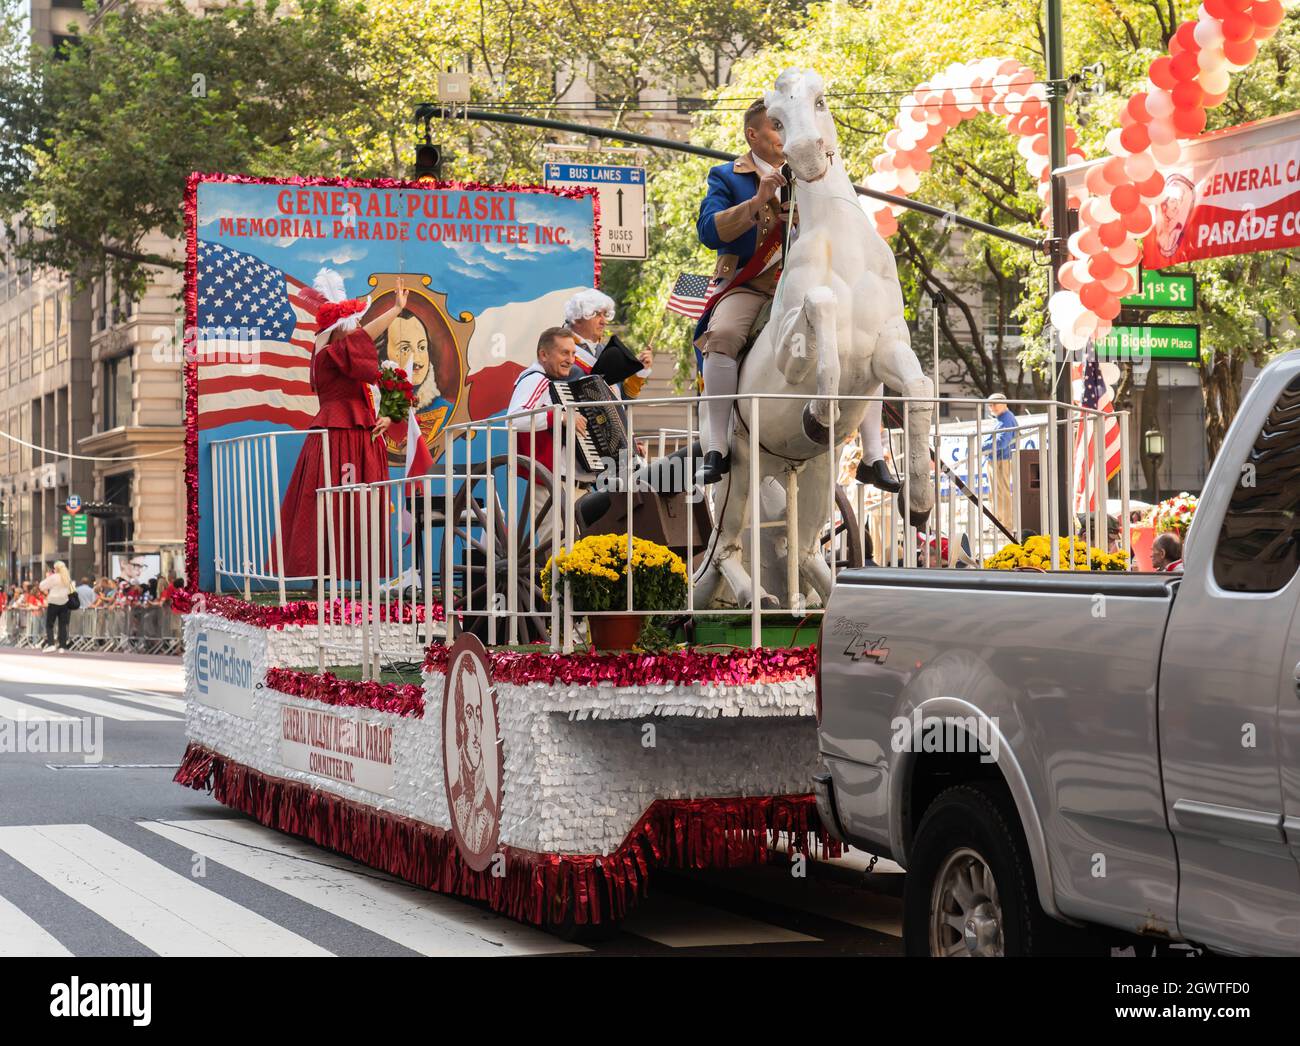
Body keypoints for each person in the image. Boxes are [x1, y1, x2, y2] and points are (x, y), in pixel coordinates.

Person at [693, 98, 896, 491]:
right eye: (776, 126)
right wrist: (756, 202)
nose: (786, 135)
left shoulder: (815, 171)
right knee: (721, 338)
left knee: (866, 341)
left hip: (813, 283)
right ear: (753, 135)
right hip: (753, 285)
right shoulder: (726, 176)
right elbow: (709, 232)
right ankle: (716, 444)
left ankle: (874, 453)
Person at [277, 269, 410, 579]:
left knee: (361, 507)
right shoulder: (329, 355)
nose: (358, 331)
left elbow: (390, 387)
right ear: (340, 330)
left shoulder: (348, 360)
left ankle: (361, 575)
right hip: (336, 439)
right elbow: (365, 338)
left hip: (357, 439)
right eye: (353, 326)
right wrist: (394, 310)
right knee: (327, 506)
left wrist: (388, 414)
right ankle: (320, 577)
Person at [507, 327, 588, 475]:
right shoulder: (536, 379)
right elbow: (513, 421)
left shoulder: (550, 380)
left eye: (573, 354)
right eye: (564, 353)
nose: (571, 360)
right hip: (552, 483)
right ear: (543, 355)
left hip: (564, 481)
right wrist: (562, 416)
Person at [563, 289, 653, 399]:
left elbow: (623, 400)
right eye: (596, 314)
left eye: (605, 314)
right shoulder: (560, 349)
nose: (604, 321)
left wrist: (640, 371)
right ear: (577, 319)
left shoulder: (606, 350)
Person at [983, 393, 1018, 523]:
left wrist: (981, 447)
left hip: (1001, 459)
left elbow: (1002, 441)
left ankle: (1006, 523)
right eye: (990, 405)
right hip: (998, 459)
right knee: (996, 493)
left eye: (995, 404)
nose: (992, 407)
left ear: (1004, 403)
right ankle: (1000, 522)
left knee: (1001, 493)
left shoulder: (1006, 419)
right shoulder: (1003, 418)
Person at [39, 561, 73, 651]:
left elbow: (41, 586)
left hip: (53, 602)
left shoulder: (53, 577)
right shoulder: (67, 578)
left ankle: (51, 644)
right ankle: (62, 646)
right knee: (62, 625)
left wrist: (47, 578)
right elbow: (70, 590)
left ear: (56, 569)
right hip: (64, 602)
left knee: (49, 625)